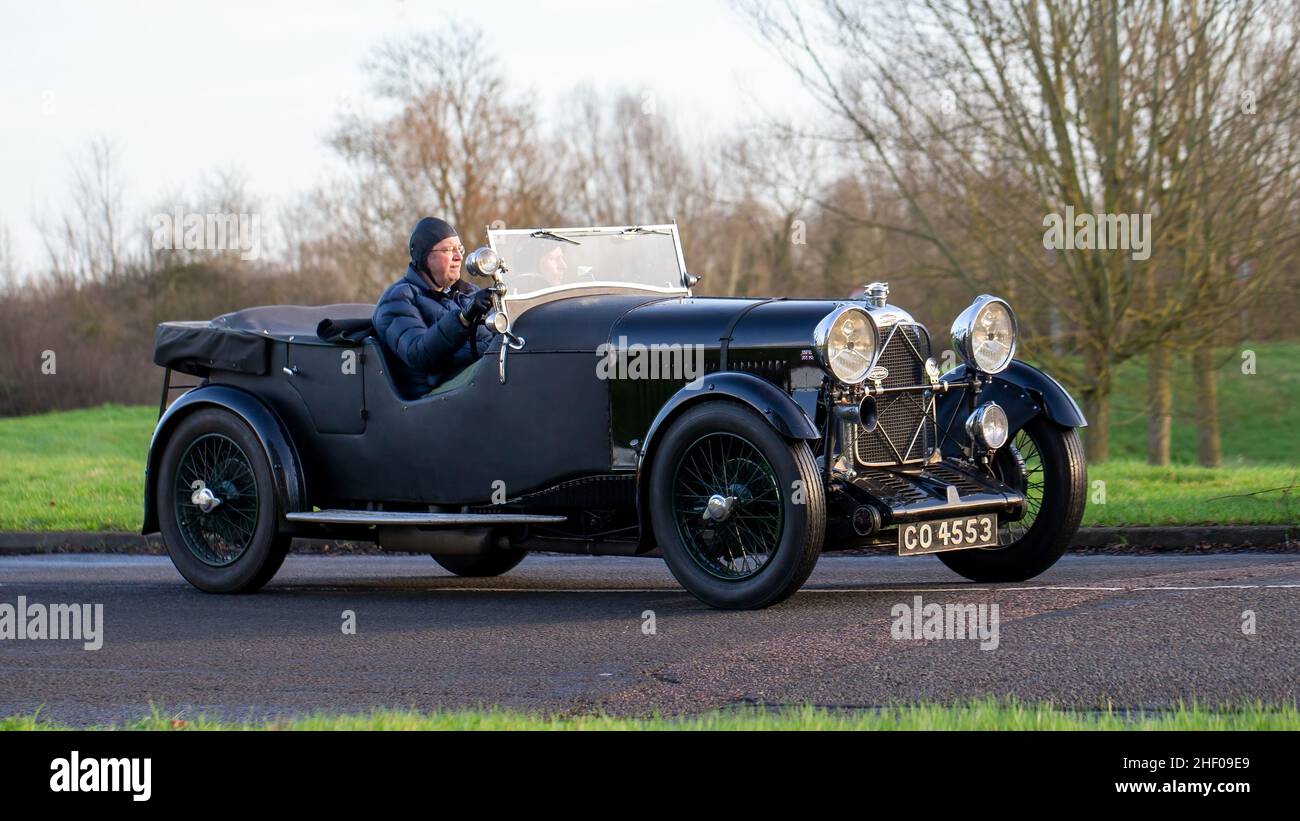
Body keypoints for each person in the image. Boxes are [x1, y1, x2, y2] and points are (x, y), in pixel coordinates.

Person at [372, 217, 496, 397]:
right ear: (425, 257)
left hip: (477, 382)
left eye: (459, 249)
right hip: (436, 396)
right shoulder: (397, 299)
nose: (459, 256)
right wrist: (463, 319)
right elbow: (417, 353)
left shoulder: (468, 293)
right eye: (449, 250)